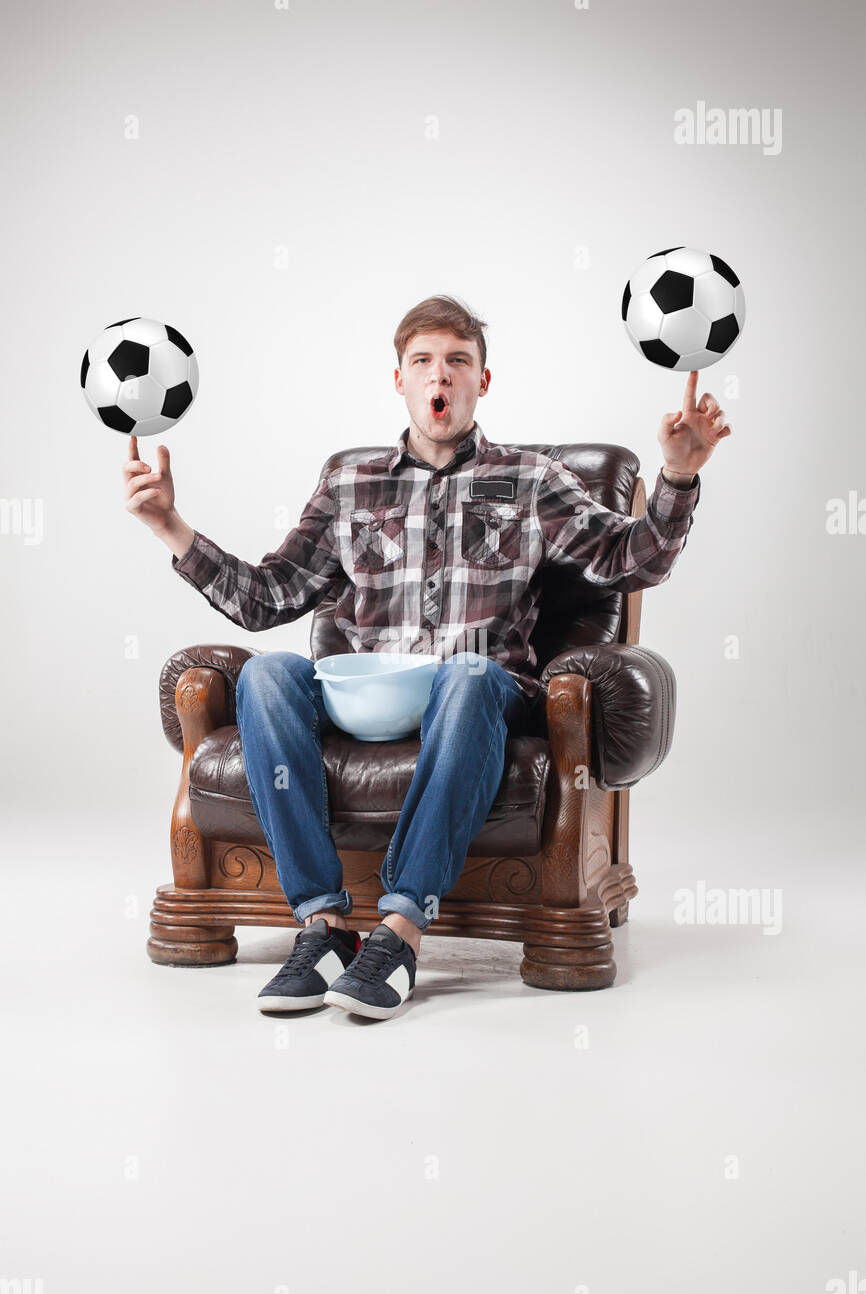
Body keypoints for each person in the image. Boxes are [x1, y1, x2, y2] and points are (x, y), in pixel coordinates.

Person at [123, 294, 731, 1021]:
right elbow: (268, 598)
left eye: (457, 362)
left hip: (479, 694)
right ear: (400, 380)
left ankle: (402, 928)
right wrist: (172, 528)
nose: (439, 377)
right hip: (365, 696)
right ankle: (321, 926)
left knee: (468, 673)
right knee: (266, 672)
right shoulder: (350, 485)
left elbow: (633, 560)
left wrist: (678, 479)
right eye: (423, 363)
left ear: (482, 382)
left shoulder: (534, 481)